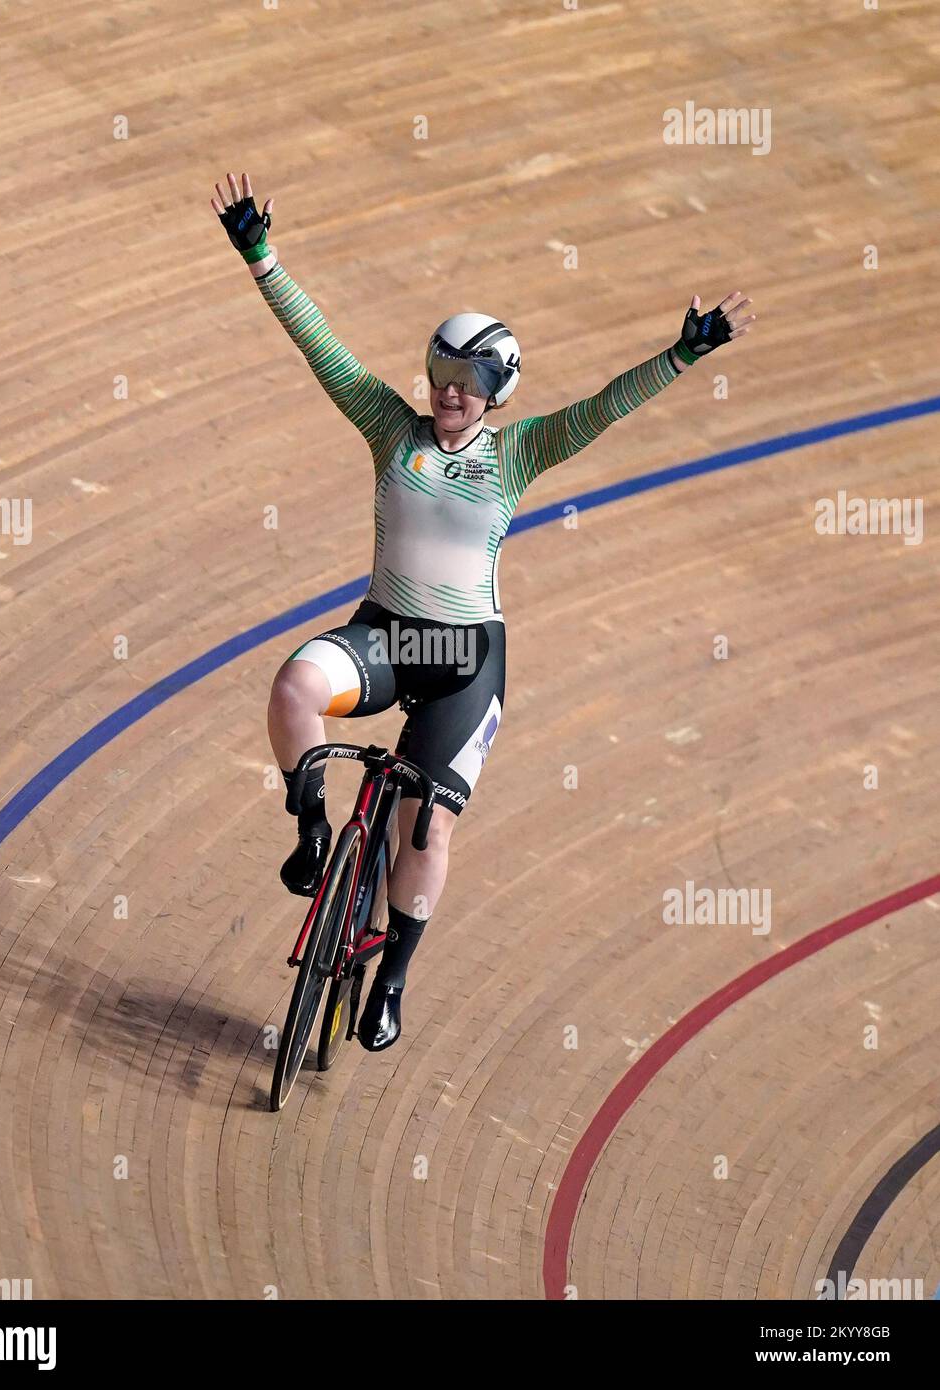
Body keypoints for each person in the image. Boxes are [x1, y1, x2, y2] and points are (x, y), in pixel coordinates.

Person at [211, 171, 755, 1052]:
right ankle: (311, 831)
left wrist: (679, 355)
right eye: (440, 370)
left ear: (497, 390)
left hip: (464, 664)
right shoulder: (389, 427)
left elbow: (602, 409)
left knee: (424, 825)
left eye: (469, 377)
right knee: (292, 690)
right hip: (386, 636)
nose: (449, 389)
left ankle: (390, 981)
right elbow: (320, 345)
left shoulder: (519, 452)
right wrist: (261, 256)